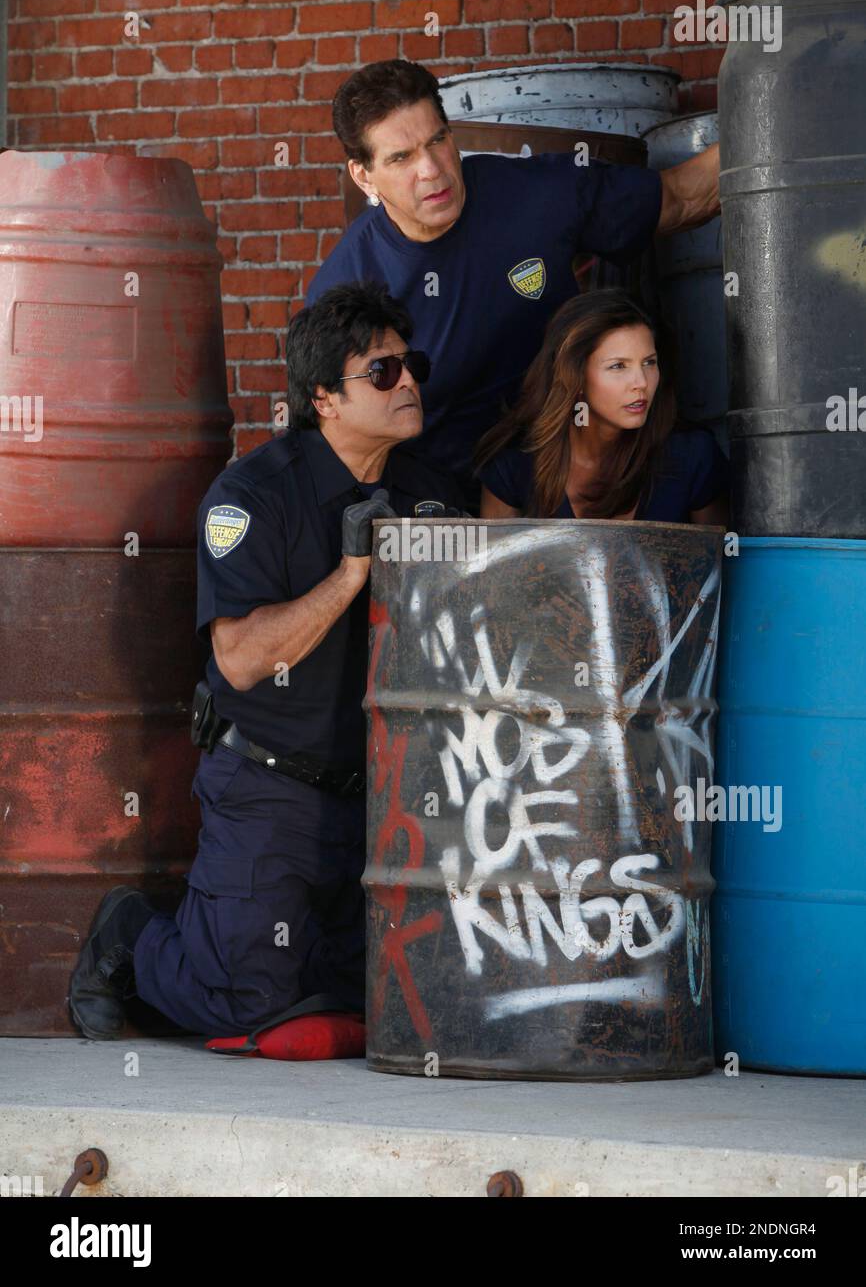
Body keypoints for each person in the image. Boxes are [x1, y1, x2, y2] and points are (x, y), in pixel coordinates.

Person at [69, 282, 462, 1046]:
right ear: (324, 398)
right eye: (381, 373)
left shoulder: (429, 490)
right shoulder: (251, 496)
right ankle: (131, 934)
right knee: (242, 1002)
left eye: (410, 364)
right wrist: (350, 577)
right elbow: (242, 661)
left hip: (385, 796)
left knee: (389, 993)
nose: (407, 381)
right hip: (269, 786)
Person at [306, 58, 721, 503]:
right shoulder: (344, 291)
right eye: (402, 158)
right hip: (434, 509)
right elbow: (332, 442)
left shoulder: (533, 194)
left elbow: (680, 198)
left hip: (560, 481)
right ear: (363, 175)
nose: (431, 169)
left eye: (438, 140)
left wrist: (775, 110)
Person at [476, 288, 729, 526]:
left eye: (649, 363)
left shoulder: (691, 457)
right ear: (575, 377)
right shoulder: (515, 465)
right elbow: (496, 570)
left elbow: (724, 567)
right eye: (618, 366)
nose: (641, 382)